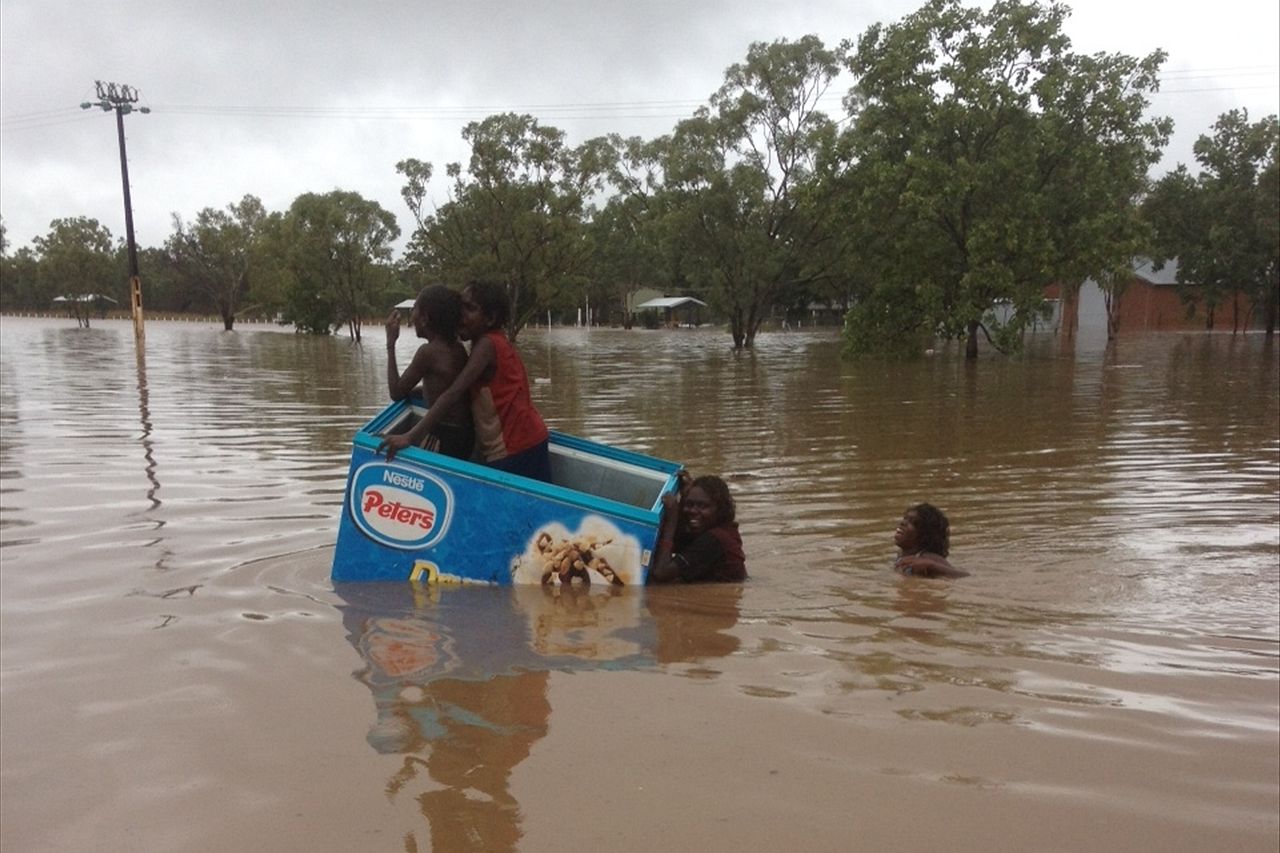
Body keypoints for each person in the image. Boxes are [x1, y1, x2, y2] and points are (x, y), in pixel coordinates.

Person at [378, 280, 552, 482]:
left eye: (469, 309)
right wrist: (417, 392)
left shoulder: (486, 346)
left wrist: (411, 436)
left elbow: (453, 392)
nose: (460, 315)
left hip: (514, 446)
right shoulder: (473, 346)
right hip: (526, 439)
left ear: (490, 318)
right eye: (460, 308)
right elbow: (453, 387)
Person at [384, 285, 474, 460]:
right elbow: (441, 387)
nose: (412, 316)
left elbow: (396, 392)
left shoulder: (428, 352)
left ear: (424, 318)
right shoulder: (457, 348)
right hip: (464, 435)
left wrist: (391, 343)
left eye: (414, 310)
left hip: (445, 436)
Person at [648, 473, 747, 584]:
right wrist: (682, 501)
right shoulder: (717, 529)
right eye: (689, 504)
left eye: (703, 506)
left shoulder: (714, 539)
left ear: (720, 509)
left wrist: (672, 519)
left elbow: (660, 573)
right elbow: (675, 543)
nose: (693, 511)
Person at [893, 502, 968, 578]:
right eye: (905, 518)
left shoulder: (928, 557)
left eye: (913, 522)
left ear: (924, 535)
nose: (902, 523)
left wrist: (931, 565)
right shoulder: (902, 553)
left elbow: (964, 576)